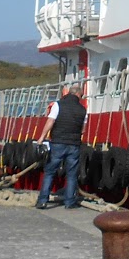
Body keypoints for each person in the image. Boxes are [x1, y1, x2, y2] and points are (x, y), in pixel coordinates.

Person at [34, 81, 87, 210]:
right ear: (79, 95)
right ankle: (69, 202)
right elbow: (83, 130)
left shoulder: (58, 105)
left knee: (50, 172)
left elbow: (50, 121)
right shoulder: (83, 110)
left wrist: (41, 137)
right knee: (72, 174)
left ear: (68, 93)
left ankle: (42, 201)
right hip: (74, 144)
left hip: (58, 143)